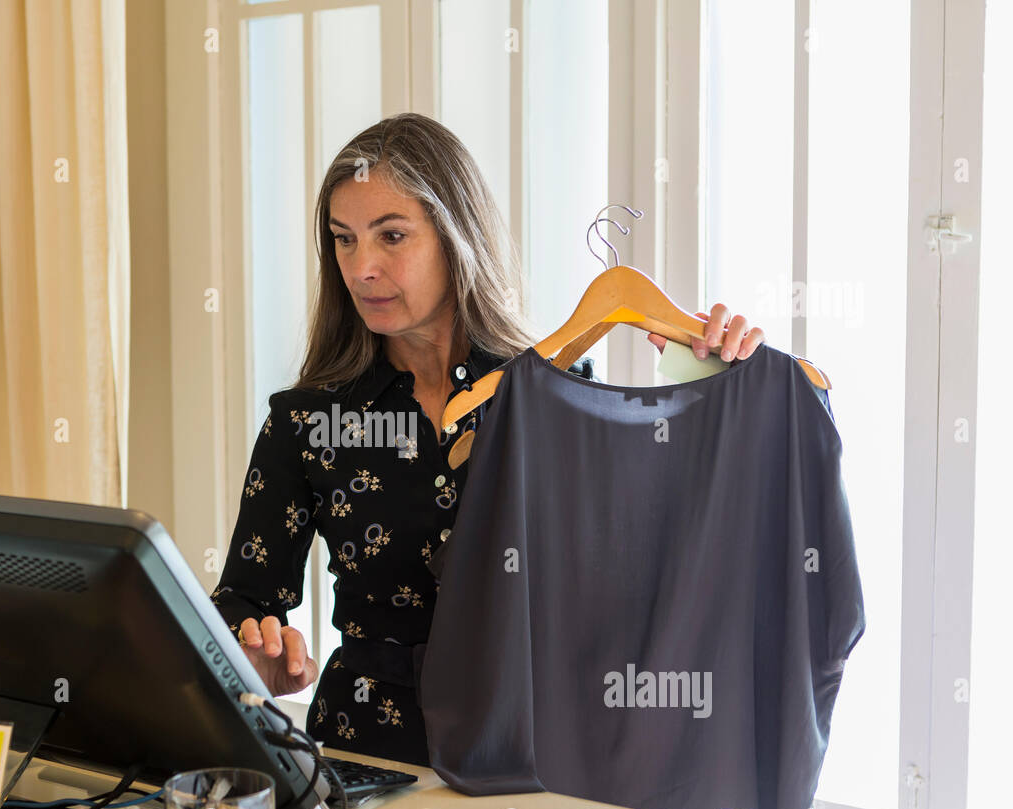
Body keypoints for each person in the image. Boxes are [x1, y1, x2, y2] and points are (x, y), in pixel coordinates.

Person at [210, 113, 766, 766]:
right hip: (369, 758)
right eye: (343, 240)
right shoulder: (306, 420)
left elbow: (660, 580)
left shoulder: (559, 394)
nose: (361, 268)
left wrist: (715, 388)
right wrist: (254, 662)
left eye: (391, 236)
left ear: (456, 237)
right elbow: (240, 604)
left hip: (534, 755)